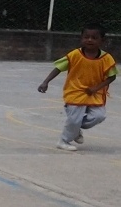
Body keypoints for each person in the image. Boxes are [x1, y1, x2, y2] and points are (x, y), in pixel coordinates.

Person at [38, 22, 117, 151]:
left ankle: (74, 130)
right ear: (81, 38)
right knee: (74, 119)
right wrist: (46, 82)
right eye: (86, 37)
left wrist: (96, 88)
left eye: (94, 37)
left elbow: (112, 76)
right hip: (75, 91)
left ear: (102, 40)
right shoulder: (75, 54)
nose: (90, 40)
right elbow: (58, 68)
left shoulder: (107, 58)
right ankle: (63, 141)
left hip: (94, 93)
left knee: (99, 116)